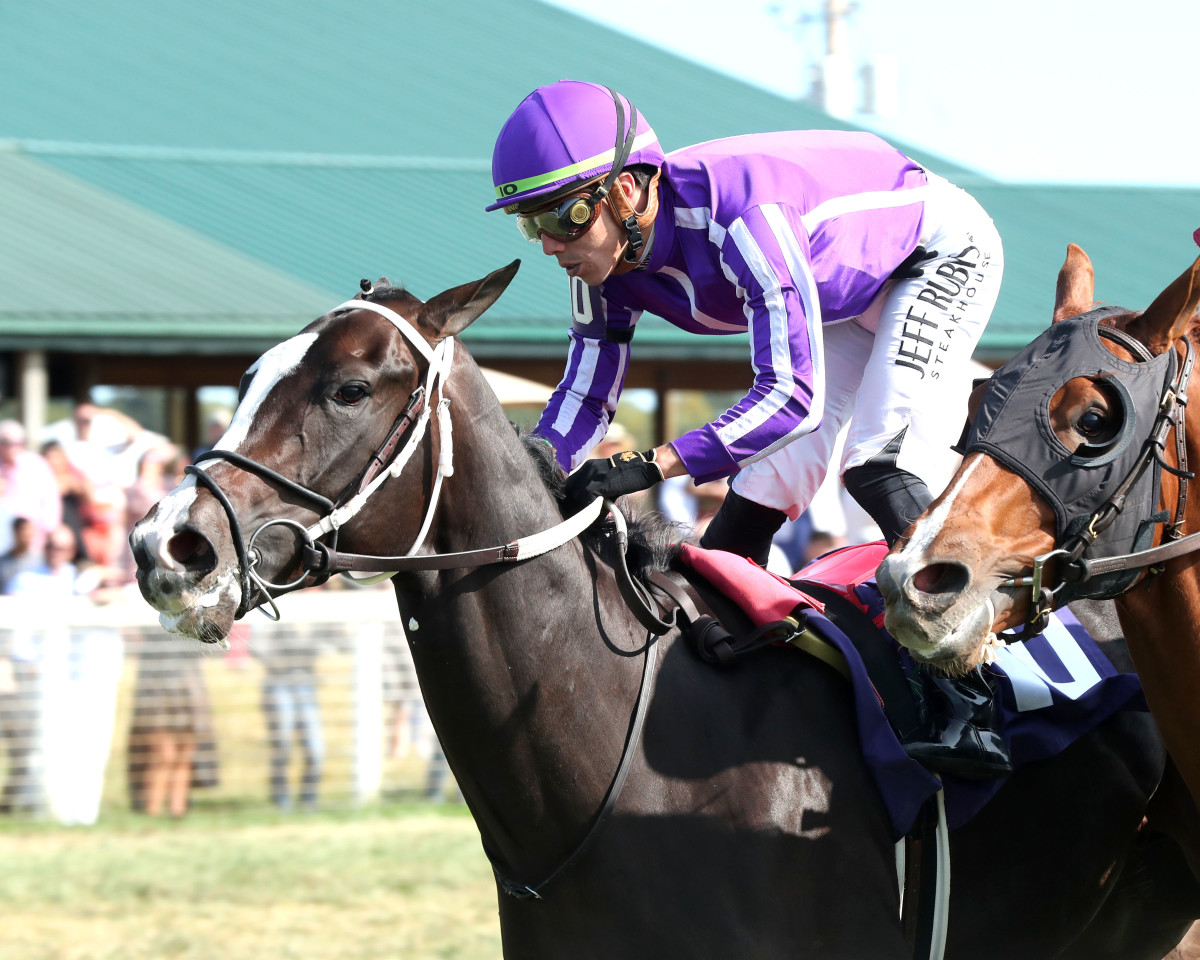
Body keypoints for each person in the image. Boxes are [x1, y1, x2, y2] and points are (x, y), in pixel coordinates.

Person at [486, 80, 1009, 777]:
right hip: (842, 297)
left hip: (936, 256)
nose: (551, 245)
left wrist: (654, 463)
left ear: (630, 189)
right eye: (532, 223)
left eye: (565, 217)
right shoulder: (600, 264)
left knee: (878, 463)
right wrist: (531, 484)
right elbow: (585, 394)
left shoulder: (742, 221)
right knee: (743, 517)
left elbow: (791, 396)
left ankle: (972, 696)